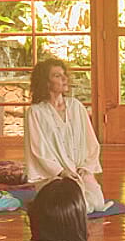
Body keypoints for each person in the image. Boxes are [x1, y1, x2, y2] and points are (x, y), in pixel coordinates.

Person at [25, 58, 111, 214]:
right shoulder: (35, 112)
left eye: (64, 74)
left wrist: (85, 167)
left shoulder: (76, 106)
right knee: (76, 206)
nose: (64, 79)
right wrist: (61, 172)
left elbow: (91, 141)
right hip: (54, 175)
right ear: (46, 82)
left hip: (79, 170)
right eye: (57, 76)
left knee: (97, 204)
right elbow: (38, 149)